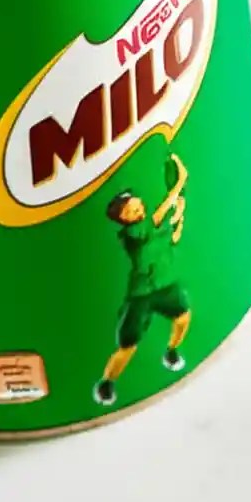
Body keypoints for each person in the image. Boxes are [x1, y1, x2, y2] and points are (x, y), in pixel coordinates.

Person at [94, 154, 190, 406]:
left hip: (165, 284)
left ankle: (171, 351)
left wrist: (179, 212)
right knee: (128, 346)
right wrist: (179, 182)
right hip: (141, 294)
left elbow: (171, 233)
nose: (138, 210)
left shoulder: (154, 227)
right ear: (123, 219)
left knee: (183, 317)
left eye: (138, 206)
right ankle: (107, 383)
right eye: (130, 210)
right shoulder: (132, 233)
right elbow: (160, 214)